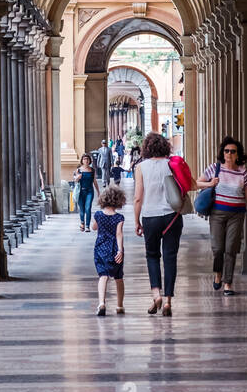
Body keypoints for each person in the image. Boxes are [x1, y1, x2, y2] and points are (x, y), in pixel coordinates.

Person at [195, 135, 247, 295]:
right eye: (227, 151)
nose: (229, 154)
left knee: (231, 248)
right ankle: (218, 274)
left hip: (236, 215)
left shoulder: (243, 173)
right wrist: (210, 183)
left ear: (238, 154)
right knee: (218, 248)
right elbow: (196, 183)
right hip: (217, 214)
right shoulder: (214, 169)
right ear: (222, 153)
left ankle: (228, 283)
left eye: (233, 151)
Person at [134, 130, 191, 316]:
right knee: (170, 257)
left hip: (150, 217)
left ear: (147, 148)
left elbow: (137, 198)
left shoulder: (141, 167)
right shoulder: (171, 164)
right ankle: (167, 302)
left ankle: (156, 294)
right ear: (165, 147)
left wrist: (136, 220)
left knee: (152, 256)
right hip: (171, 216)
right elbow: (188, 183)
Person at [91, 185, 126, 315]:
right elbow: (119, 234)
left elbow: (94, 228)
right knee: (118, 277)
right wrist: (120, 251)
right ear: (118, 201)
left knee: (103, 276)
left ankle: (101, 303)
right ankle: (119, 306)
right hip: (114, 248)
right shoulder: (119, 218)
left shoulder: (98, 215)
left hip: (100, 247)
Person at [72, 154, 99, 232]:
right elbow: (74, 180)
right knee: (82, 209)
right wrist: (77, 178)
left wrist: (98, 192)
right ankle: (82, 223)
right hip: (80, 192)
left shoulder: (92, 170)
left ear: (89, 160)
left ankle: (87, 225)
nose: (86, 161)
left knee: (88, 208)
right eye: (84, 159)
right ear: (82, 160)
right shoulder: (78, 170)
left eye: (87, 159)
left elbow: (94, 181)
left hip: (90, 191)